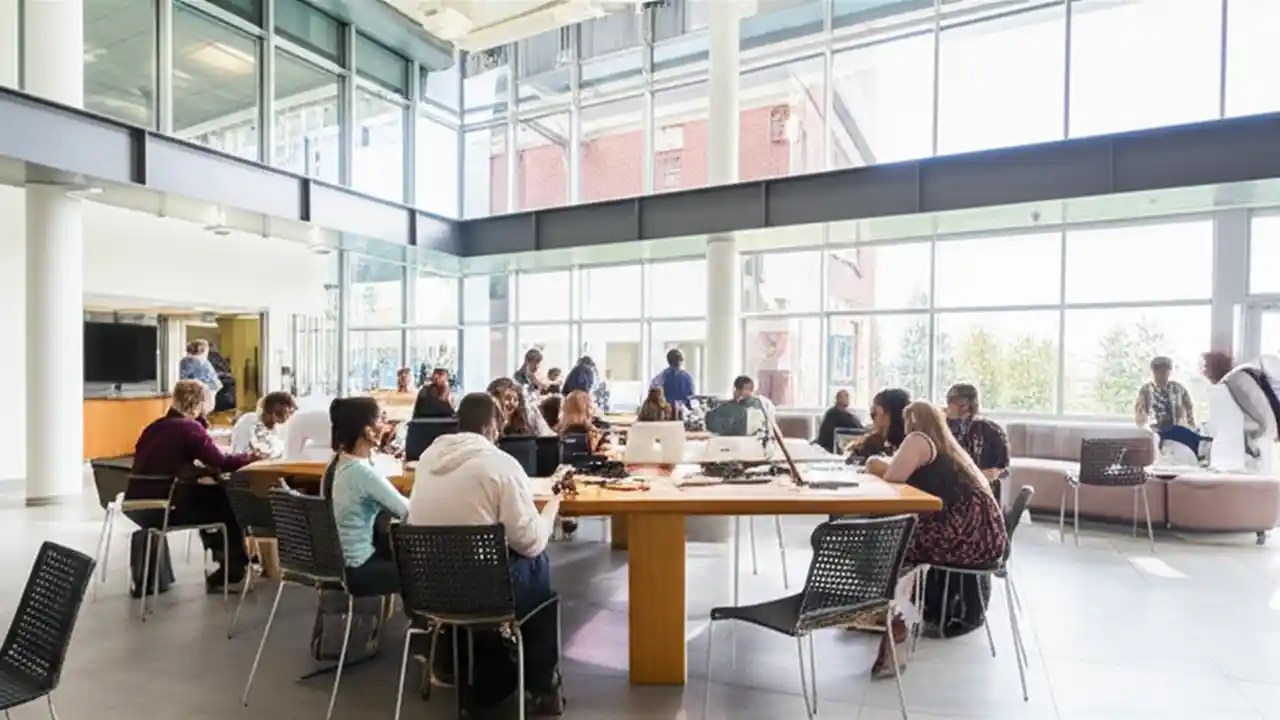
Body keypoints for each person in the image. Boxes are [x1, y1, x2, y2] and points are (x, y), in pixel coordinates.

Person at [409, 393, 566, 714]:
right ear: (494, 426)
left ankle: (454, 665)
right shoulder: (500, 465)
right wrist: (552, 509)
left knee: (494, 566)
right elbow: (530, 541)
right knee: (537, 562)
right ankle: (541, 685)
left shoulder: (427, 459)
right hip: (486, 593)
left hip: (429, 591)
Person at [865, 401, 1007, 672]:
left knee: (888, 538)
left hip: (962, 536)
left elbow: (894, 477)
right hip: (982, 538)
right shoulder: (948, 448)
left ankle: (889, 616)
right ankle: (890, 612)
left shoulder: (918, 438)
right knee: (899, 534)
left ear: (913, 421)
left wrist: (874, 463)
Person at [127, 379, 256, 590]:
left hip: (139, 505)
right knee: (228, 502)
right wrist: (251, 458)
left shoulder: (154, 427)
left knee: (212, 498)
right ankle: (233, 568)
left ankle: (226, 561)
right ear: (200, 403)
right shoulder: (188, 428)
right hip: (168, 506)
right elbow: (221, 462)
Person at [326, 397, 409, 596]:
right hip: (359, 569)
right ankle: (425, 624)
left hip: (336, 563)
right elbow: (407, 512)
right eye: (381, 419)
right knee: (427, 571)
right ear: (368, 431)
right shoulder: (362, 474)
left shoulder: (336, 464)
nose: (386, 426)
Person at [943, 383, 1010, 499]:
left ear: (964, 406)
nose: (946, 406)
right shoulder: (951, 426)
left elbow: (993, 471)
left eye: (950, 402)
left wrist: (960, 482)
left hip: (978, 499)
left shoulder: (988, 431)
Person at [1134, 356, 1196, 430]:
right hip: (1155, 431)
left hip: (1176, 430)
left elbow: (1189, 409)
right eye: (1160, 372)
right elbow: (1140, 412)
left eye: (1166, 372)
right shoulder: (1146, 390)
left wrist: (1191, 426)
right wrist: (1143, 428)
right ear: (1154, 372)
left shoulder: (1178, 388)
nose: (1163, 375)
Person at [848, 388, 911, 461]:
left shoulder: (873, 444)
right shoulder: (912, 445)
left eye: (873, 414)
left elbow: (852, 463)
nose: (873, 421)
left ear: (882, 413)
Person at [488, 377, 555, 436]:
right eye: (507, 398)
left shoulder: (523, 424)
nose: (512, 403)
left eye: (515, 400)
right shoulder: (488, 424)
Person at [248, 391, 297, 460]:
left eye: (291, 413)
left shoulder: (275, 428)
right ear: (275, 408)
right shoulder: (251, 421)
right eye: (285, 412)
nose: (288, 417)